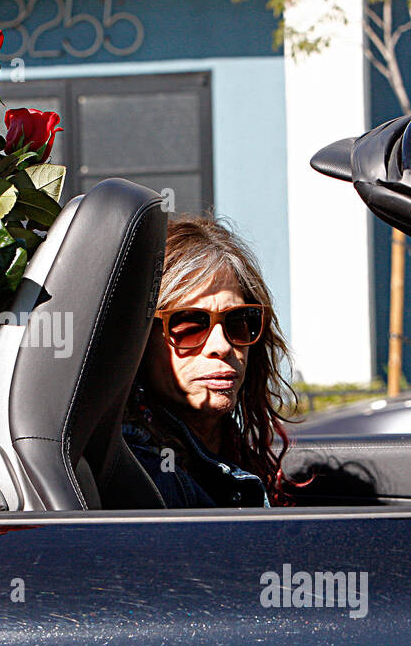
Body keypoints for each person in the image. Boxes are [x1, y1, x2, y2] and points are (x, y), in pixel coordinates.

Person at [123, 213, 298, 507]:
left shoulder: (231, 455)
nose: (222, 345)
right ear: (138, 340)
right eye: (189, 324)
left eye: (239, 321)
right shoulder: (148, 473)